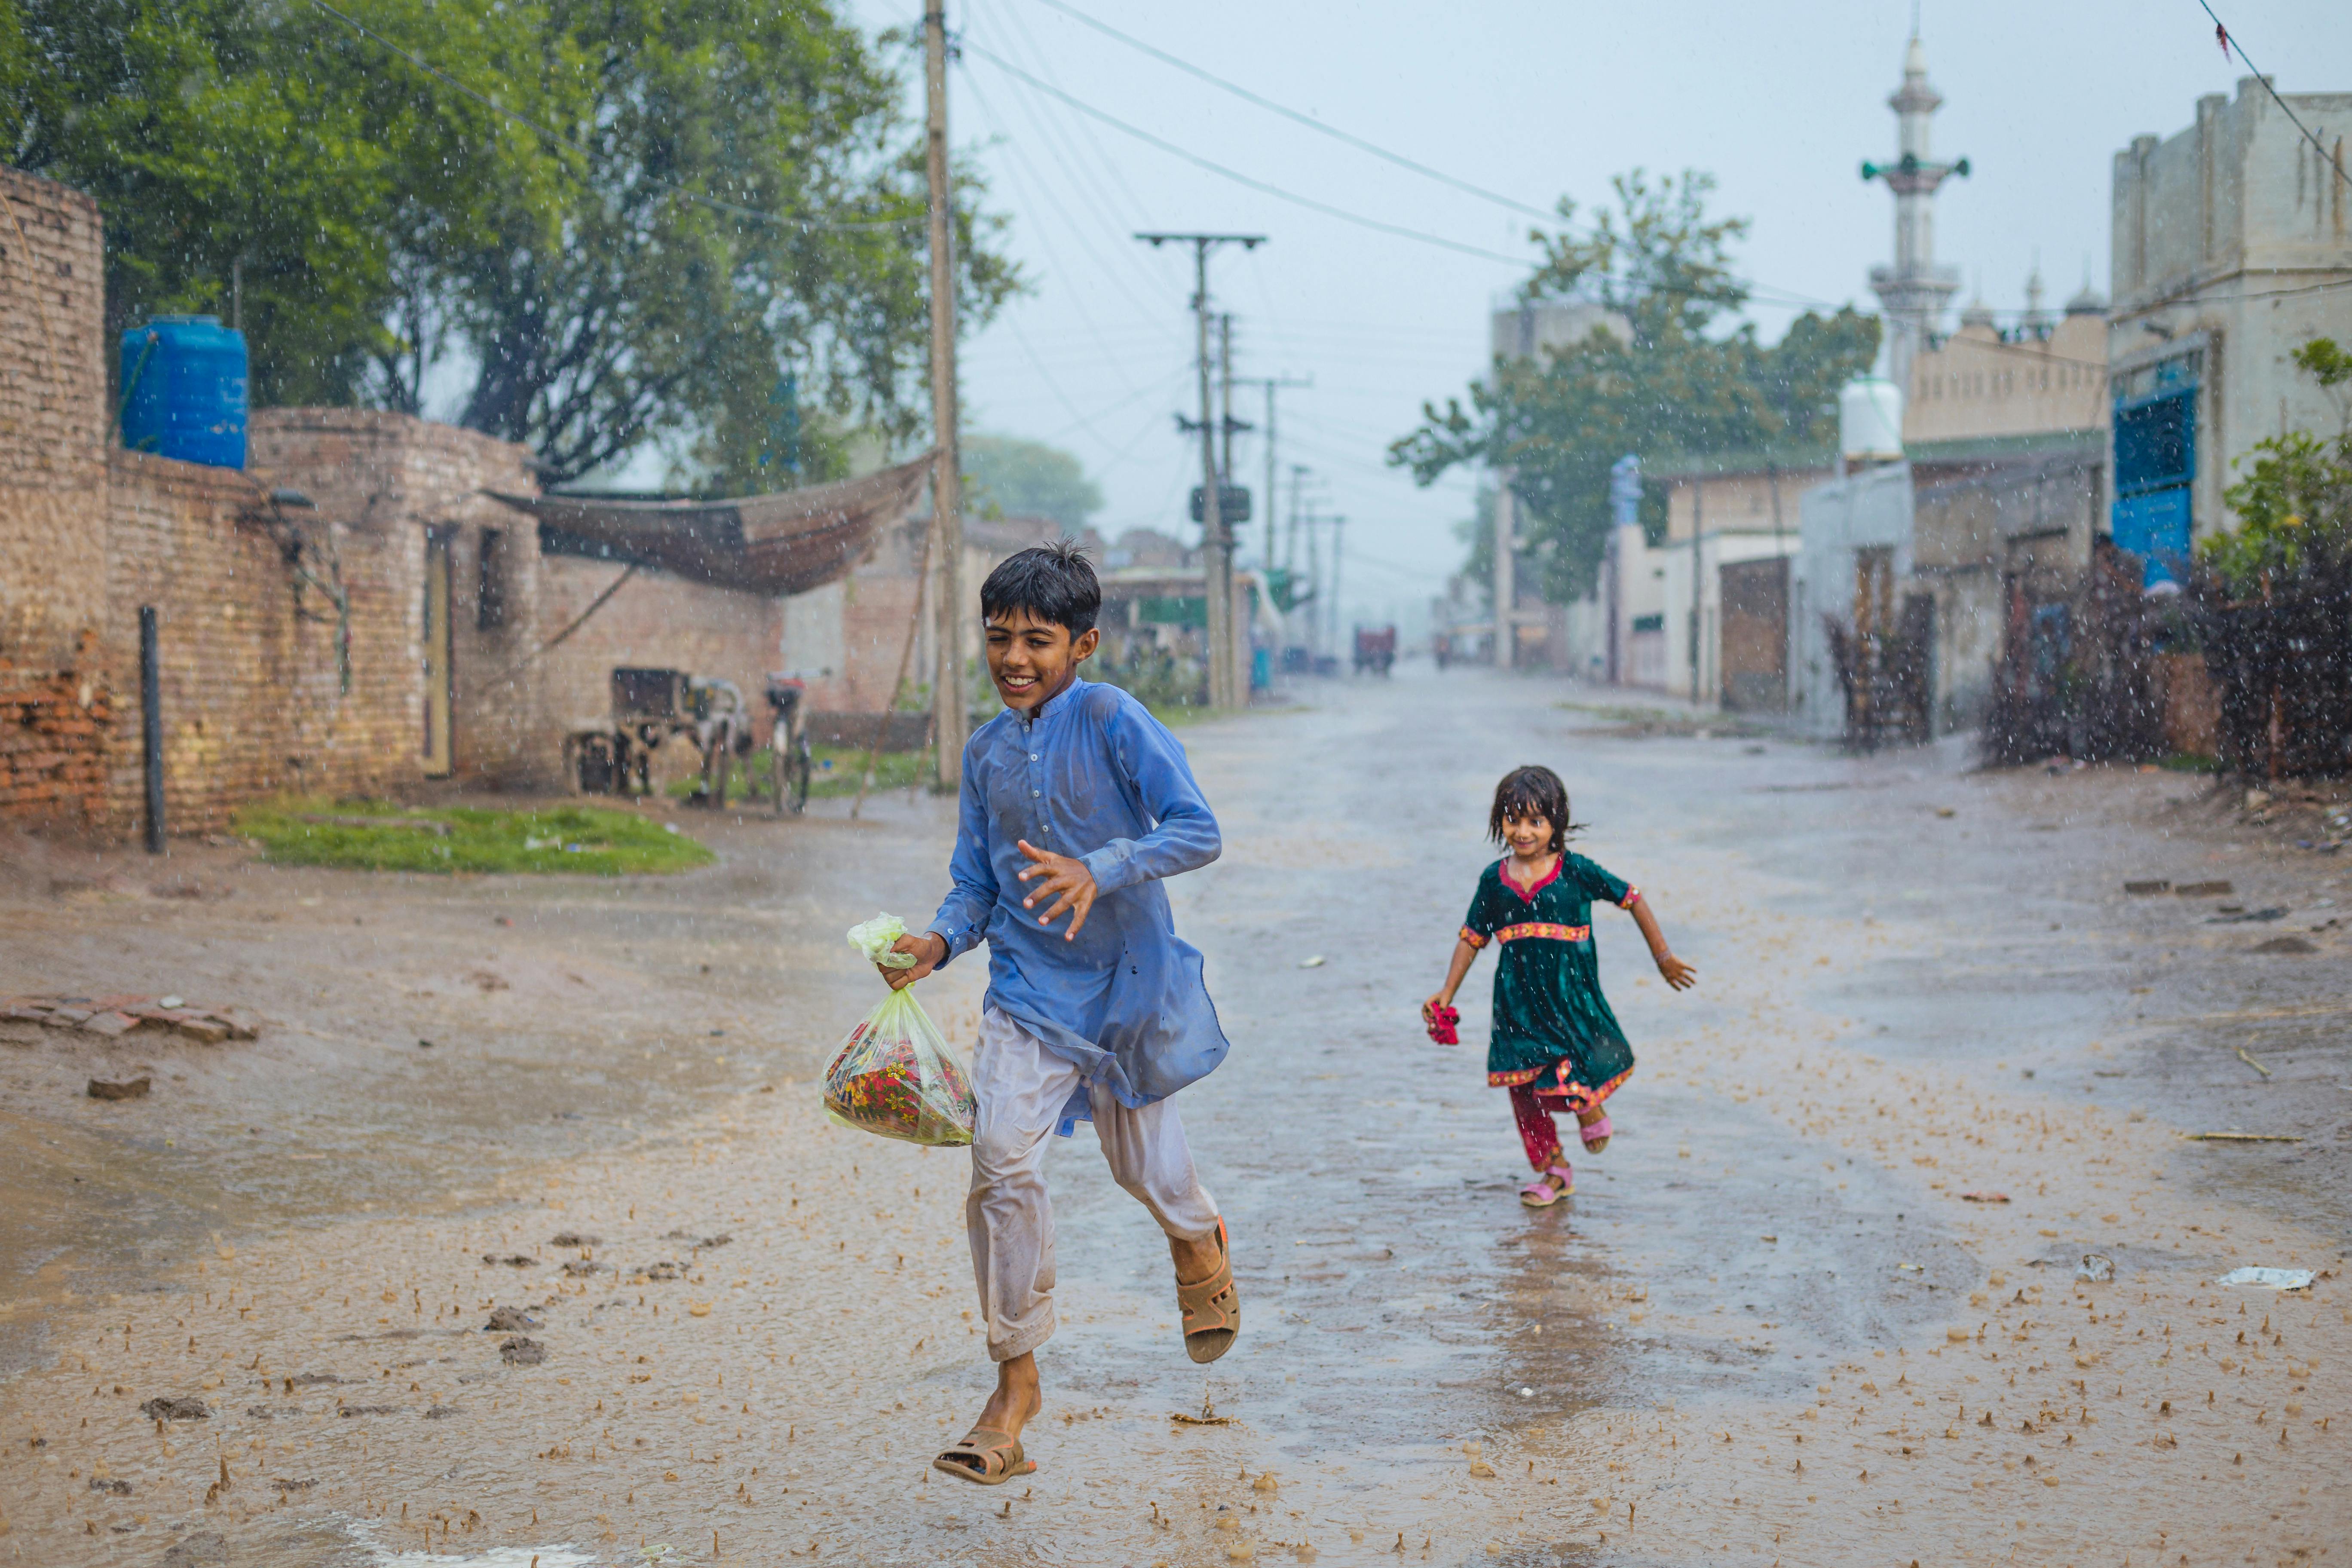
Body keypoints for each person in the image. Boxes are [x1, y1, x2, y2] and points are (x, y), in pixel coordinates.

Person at [876, 541, 1237, 1488]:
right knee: (999, 1165)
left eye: (1038, 640)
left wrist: (1103, 867)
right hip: (1029, 996)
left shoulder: (1113, 717)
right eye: (999, 639)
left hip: (1127, 989)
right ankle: (1015, 1387)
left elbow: (1197, 829)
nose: (1015, 660)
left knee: (1144, 1171)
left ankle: (1198, 1239)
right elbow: (976, 885)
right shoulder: (986, 752)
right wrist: (938, 943)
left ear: (1085, 644)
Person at [1421, 765, 1695, 1207]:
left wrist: (1663, 957)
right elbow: (1472, 937)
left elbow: (1633, 898)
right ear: (1500, 822)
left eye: (1536, 821)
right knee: (1523, 1088)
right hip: (1515, 1004)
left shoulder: (1577, 871)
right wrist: (1446, 993)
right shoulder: (1494, 881)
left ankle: (1588, 1103)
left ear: (1556, 824)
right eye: (1513, 819)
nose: (1523, 831)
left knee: (1564, 1070)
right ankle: (1554, 1170)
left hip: (1571, 997)